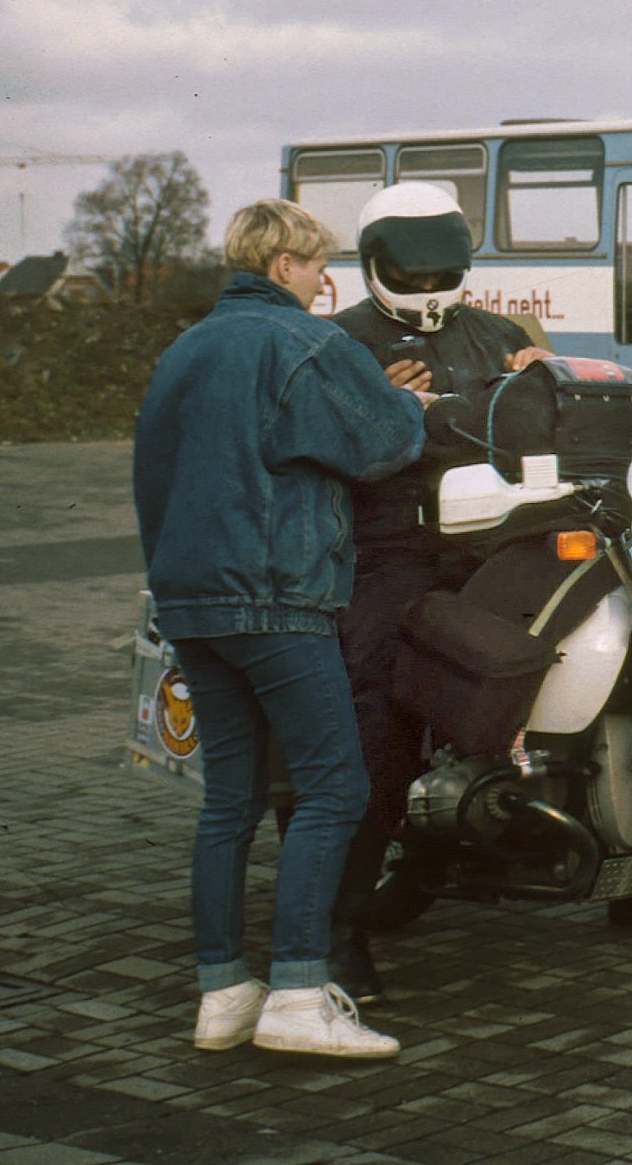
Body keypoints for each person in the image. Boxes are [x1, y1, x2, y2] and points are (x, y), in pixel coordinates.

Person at [134, 198, 433, 1057]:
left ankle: (223, 993)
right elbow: (380, 442)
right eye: (315, 266)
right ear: (281, 266)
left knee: (230, 799)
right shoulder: (307, 342)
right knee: (335, 787)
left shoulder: (182, 350)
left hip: (190, 601)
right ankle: (300, 994)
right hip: (277, 596)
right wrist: (401, 402)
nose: (323, 280)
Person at [325, 182, 551, 1001]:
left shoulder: (502, 334)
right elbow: (333, 453)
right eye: (411, 277)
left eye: (440, 276)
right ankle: (340, 929)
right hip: (394, 550)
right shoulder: (340, 341)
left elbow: (545, 428)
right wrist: (382, 407)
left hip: (500, 544)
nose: (427, 293)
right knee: (376, 708)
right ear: (376, 264)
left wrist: (546, 376)